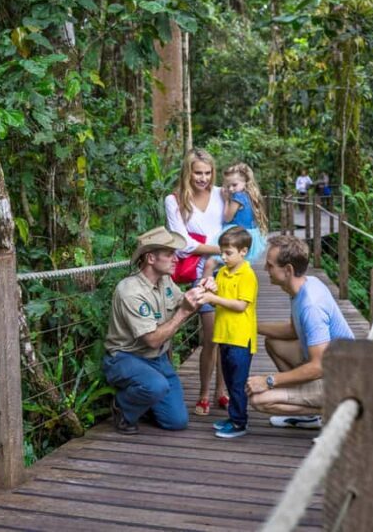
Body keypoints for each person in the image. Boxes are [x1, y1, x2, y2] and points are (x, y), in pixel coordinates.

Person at [103, 226, 215, 435]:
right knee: (156, 386)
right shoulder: (130, 291)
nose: (176, 259)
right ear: (150, 259)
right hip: (125, 358)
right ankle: (123, 408)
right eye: (169, 254)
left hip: (158, 360)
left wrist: (203, 289)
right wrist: (182, 313)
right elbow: (153, 340)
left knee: (177, 422)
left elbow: (184, 301)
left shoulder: (165, 280)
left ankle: (145, 401)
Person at [245, 235, 354, 429]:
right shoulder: (304, 284)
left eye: (270, 266)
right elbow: (294, 331)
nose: (265, 270)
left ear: (288, 270)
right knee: (273, 342)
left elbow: (318, 367)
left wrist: (269, 381)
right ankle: (308, 410)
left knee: (259, 400)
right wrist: (251, 325)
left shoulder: (311, 305)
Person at [165, 148, 227, 415]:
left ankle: (222, 392)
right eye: (197, 172)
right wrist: (222, 249)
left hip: (231, 270)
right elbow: (182, 245)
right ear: (187, 172)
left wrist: (229, 252)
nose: (203, 178)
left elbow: (239, 225)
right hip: (200, 274)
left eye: (207, 172)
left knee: (229, 336)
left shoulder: (223, 194)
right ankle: (203, 394)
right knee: (211, 336)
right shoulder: (175, 200)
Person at [197, 227, 258, 439]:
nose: (223, 257)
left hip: (241, 338)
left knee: (238, 383)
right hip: (224, 335)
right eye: (221, 252)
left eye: (228, 253)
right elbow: (220, 296)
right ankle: (233, 417)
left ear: (243, 251)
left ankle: (240, 423)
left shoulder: (247, 275)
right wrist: (210, 287)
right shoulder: (223, 272)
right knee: (231, 380)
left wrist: (213, 299)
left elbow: (241, 305)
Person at [202, 162, 268, 279]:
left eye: (234, 185)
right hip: (248, 234)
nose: (231, 189)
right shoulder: (249, 195)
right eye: (228, 186)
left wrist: (226, 200)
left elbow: (228, 217)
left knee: (209, 264)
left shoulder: (237, 197)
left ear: (245, 182)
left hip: (236, 235)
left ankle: (204, 293)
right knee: (237, 267)